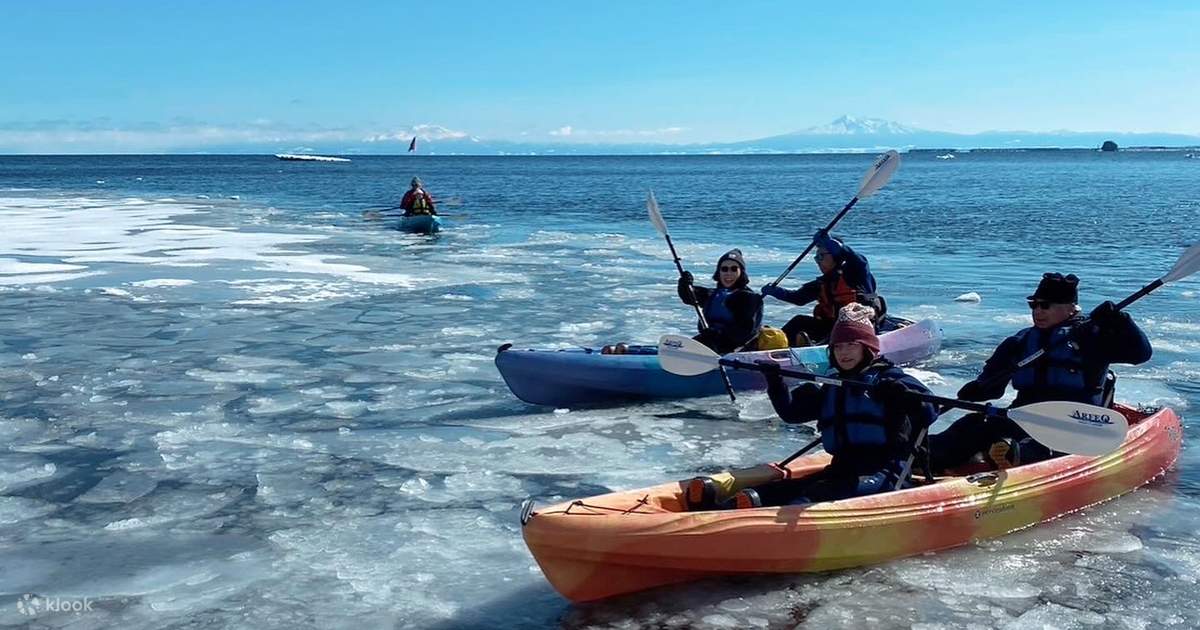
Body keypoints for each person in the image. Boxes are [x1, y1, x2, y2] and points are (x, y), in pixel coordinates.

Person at [685, 304, 937, 510]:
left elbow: (930, 411)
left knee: (815, 495)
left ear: (867, 347)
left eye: (851, 345)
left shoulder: (889, 379)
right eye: (838, 346)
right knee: (765, 493)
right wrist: (776, 382)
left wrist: (903, 397)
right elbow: (792, 414)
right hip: (841, 468)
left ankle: (767, 535)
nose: (844, 352)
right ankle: (717, 515)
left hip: (888, 475)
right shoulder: (834, 384)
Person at [928, 272, 1153, 471]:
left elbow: (1141, 354)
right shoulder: (1019, 342)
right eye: (1033, 305)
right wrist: (979, 388)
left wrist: (1122, 322)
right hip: (1026, 416)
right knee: (973, 426)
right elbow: (992, 389)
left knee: (1042, 443)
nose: (1038, 311)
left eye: (1045, 305)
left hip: (1077, 423)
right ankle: (927, 457)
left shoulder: (1092, 337)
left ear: (1070, 308)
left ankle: (1016, 455)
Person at [761, 230, 880, 346]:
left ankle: (814, 346)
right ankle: (775, 344)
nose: (818, 261)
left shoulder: (856, 274)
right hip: (831, 325)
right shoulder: (821, 283)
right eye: (816, 258)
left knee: (840, 329)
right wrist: (776, 292)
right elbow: (798, 298)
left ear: (836, 256)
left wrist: (830, 243)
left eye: (821, 257)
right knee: (799, 321)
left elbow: (859, 261)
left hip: (860, 325)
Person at [677, 249, 764, 355]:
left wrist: (717, 333)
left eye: (733, 269)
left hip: (736, 349)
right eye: (724, 269)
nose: (728, 273)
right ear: (719, 272)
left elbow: (744, 332)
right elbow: (689, 296)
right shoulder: (713, 294)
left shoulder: (750, 298)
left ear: (741, 272)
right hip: (710, 341)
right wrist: (684, 284)